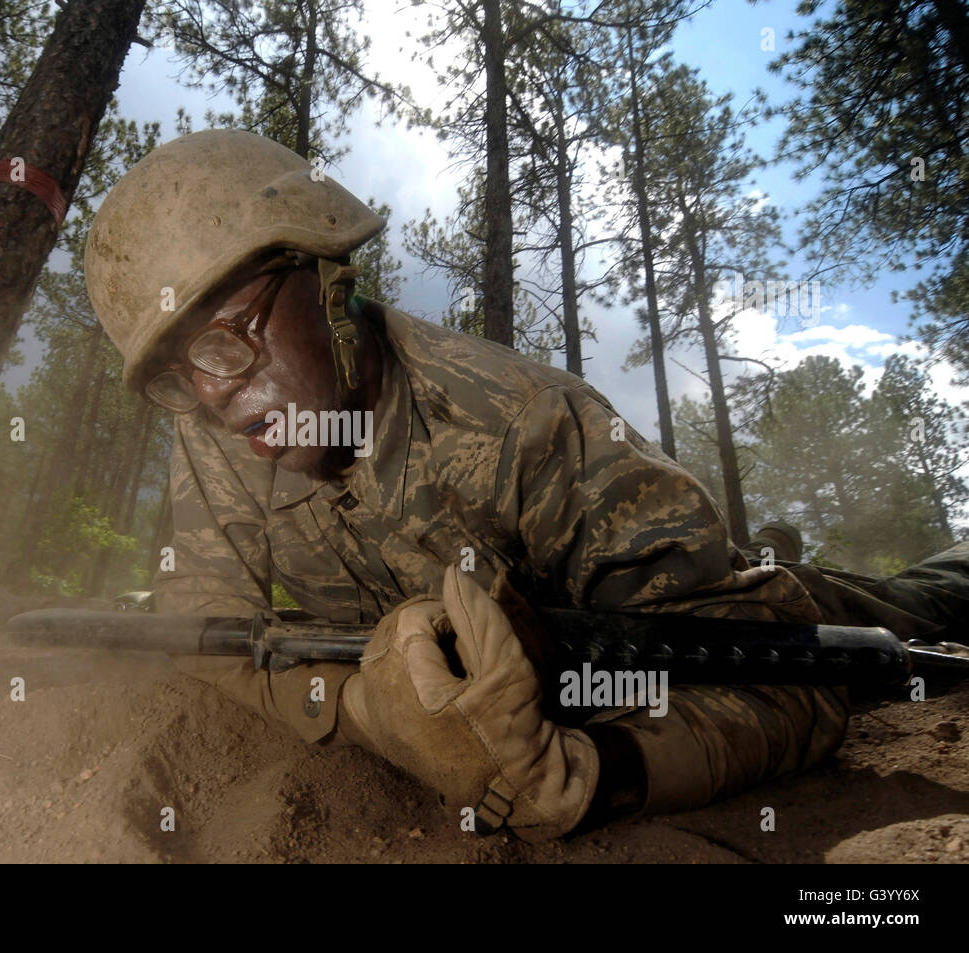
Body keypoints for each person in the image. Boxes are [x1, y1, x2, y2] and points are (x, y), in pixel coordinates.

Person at [84, 129, 967, 839]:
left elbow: (791, 688)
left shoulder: (534, 425)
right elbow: (198, 630)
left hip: (680, 605)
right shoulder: (221, 422)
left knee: (902, 609)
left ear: (327, 281)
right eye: (177, 371)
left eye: (226, 337)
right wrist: (363, 709)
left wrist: (594, 774)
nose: (209, 391)